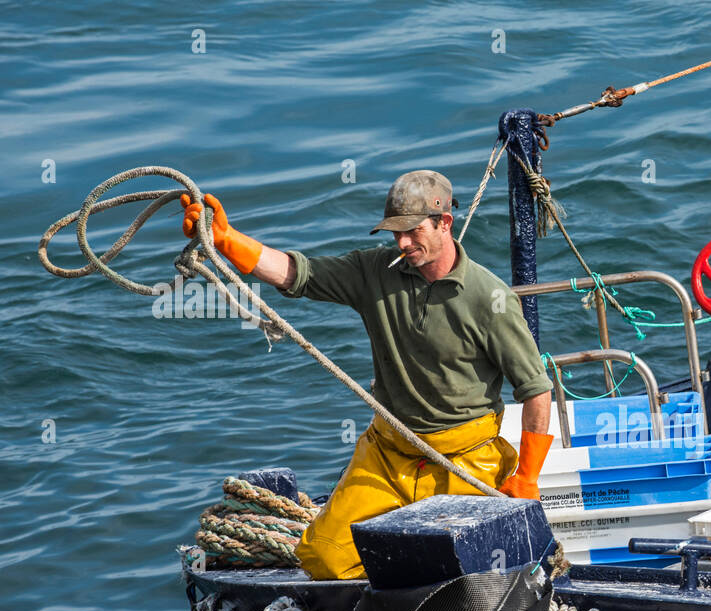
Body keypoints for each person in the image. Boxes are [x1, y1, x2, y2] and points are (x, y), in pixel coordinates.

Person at [180, 170, 555, 580]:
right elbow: (295, 273)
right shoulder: (375, 271)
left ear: (444, 223)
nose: (402, 243)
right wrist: (226, 240)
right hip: (388, 451)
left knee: (462, 571)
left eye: (412, 232)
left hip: (466, 460)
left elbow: (536, 390)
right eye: (395, 233)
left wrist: (527, 477)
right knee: (323, 558)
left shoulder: (490, 298)